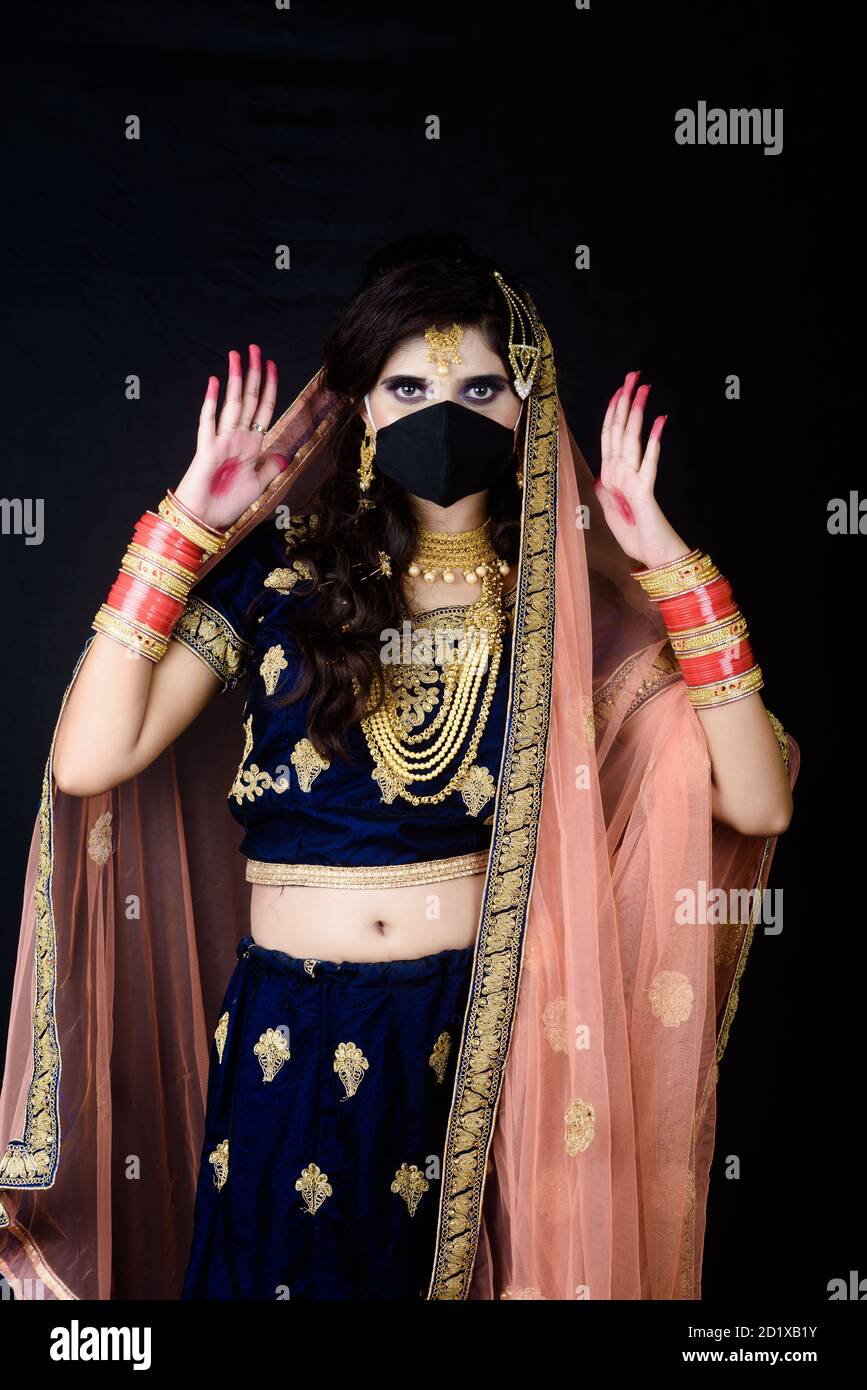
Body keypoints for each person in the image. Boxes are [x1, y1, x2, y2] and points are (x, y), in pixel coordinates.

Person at [0, 234, 798, 1301]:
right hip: (287, 1030)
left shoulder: (560, 612)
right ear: (363, 407)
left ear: (524, 407)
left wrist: (667, 565)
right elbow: (91, 756)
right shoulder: (285, 575)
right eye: (409, 387)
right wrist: (187, 524)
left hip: (474, 1043)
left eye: (479, 388)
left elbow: (757, 800)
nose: (443, 413)